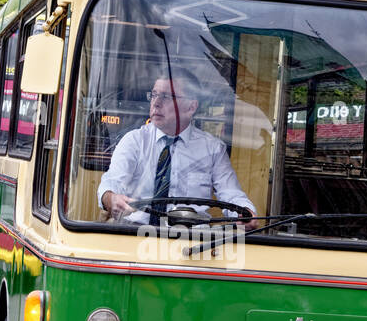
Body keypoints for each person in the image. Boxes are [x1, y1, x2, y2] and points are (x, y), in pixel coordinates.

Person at [98, 74, 256, 225]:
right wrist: (110, 198)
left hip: (191, 241)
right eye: (154, 95)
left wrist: (245, 212)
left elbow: (231, 194)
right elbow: (112, 182)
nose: (156, 103)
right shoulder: (134, 141)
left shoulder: (213, 149)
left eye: (166, 97)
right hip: (135, 235)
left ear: (191, 106)